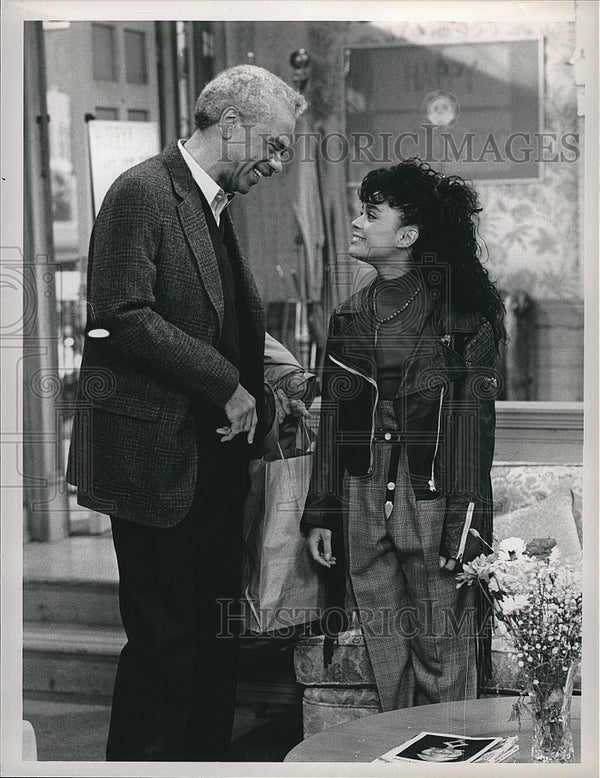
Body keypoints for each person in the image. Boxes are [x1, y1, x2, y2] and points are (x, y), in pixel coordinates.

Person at [67, 65, 308, 761]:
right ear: (229, 126)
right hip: (156, 466)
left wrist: (267, 378)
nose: (278, 161)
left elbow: (217, 318)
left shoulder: (214, 205)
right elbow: (120, 316)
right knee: (166, 649)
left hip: (214, 464)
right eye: (274, 143)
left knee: (213, 647)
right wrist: (227, 384)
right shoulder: (142, 191)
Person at [301, 159, 506, 711]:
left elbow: (472, 434)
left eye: (371, 214)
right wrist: (323, 510)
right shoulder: (350, 315)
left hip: (433, 498)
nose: (357, 224)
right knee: (387, 658)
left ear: (409, 235)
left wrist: (465, 532)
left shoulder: (464, 321)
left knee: (444, 656)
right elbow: (334, 424)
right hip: (364, 496)